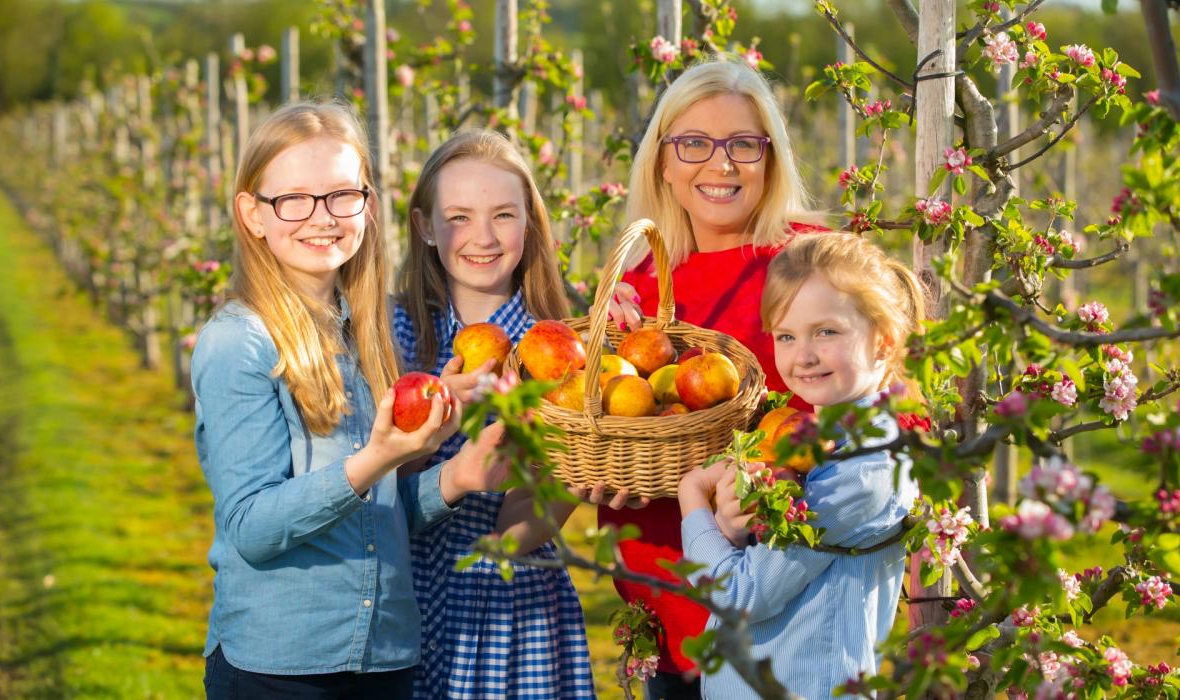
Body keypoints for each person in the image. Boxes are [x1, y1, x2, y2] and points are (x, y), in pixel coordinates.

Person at [193, 102, 507, 699]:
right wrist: (377, 457)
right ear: (252, 214)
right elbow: (252, 527)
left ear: (367, 203)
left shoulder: (370, 332)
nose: (322, 217)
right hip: (282, 666)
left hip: (385, 656)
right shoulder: (239, 342)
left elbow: (372, 519)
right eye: (294, 199)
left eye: (342, 194)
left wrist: (458, 477)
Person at [599, 57, 824, 698]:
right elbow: (607, 430)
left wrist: (775, 464)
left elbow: (885, 410)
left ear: (771, 159)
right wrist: (610, 465)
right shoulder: (641, 294)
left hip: (780, 612)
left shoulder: (809, 263)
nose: (720, 165)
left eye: (743, 145)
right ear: (663, 163)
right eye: (694, 143)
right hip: (670, 612)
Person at [392, 129, 596, 699]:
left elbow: (516, 531)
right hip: (399, 604)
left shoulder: (561, 356)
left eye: (503, 214)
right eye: (458, 216)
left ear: (530, 223)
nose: (482, 236)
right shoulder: (393, 337)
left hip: (510, 612)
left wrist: (577, 474)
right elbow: (370, 494)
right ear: (425, 227)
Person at [677, 232, 923, 698]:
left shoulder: (864, 472)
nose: (803, 355)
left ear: (884, 343)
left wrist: (693, 497)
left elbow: (740, 596)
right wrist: (732, 528)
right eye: (786, 335)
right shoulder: (809, 444)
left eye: (826, 332)